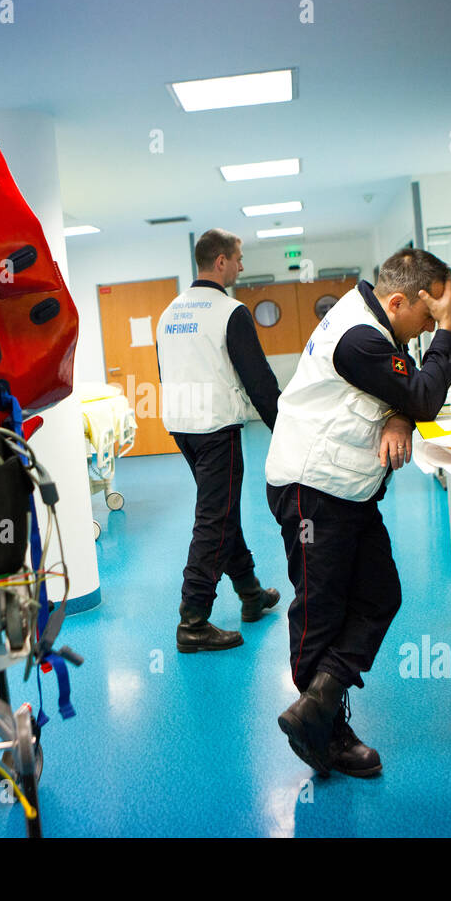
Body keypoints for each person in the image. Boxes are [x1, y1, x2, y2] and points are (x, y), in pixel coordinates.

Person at [265, 248, 451, 777]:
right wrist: (449, 331)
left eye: (434, 323)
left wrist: (401, 414)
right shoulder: (358, 336)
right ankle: (326, 735)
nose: (426, 331)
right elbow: (423, 392)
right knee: (320, 611)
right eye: (426, 318)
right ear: (398, 300)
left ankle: (316, 707)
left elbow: (407, 387)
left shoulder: (378, 323)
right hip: (312, 487)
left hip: (348, 487)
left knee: (379, 596)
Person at [156, 228, 282, 653]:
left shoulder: (169, 312)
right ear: (221, 261)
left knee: (221, 511)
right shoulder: (231, 311)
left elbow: (165, 372)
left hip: (183, 427)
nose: (242, 266)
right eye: (239, 257)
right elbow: (259, 380)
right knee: (214, 520)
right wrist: (284, 428)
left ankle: (251, 595)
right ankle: (193, 621)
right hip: (216, 429)